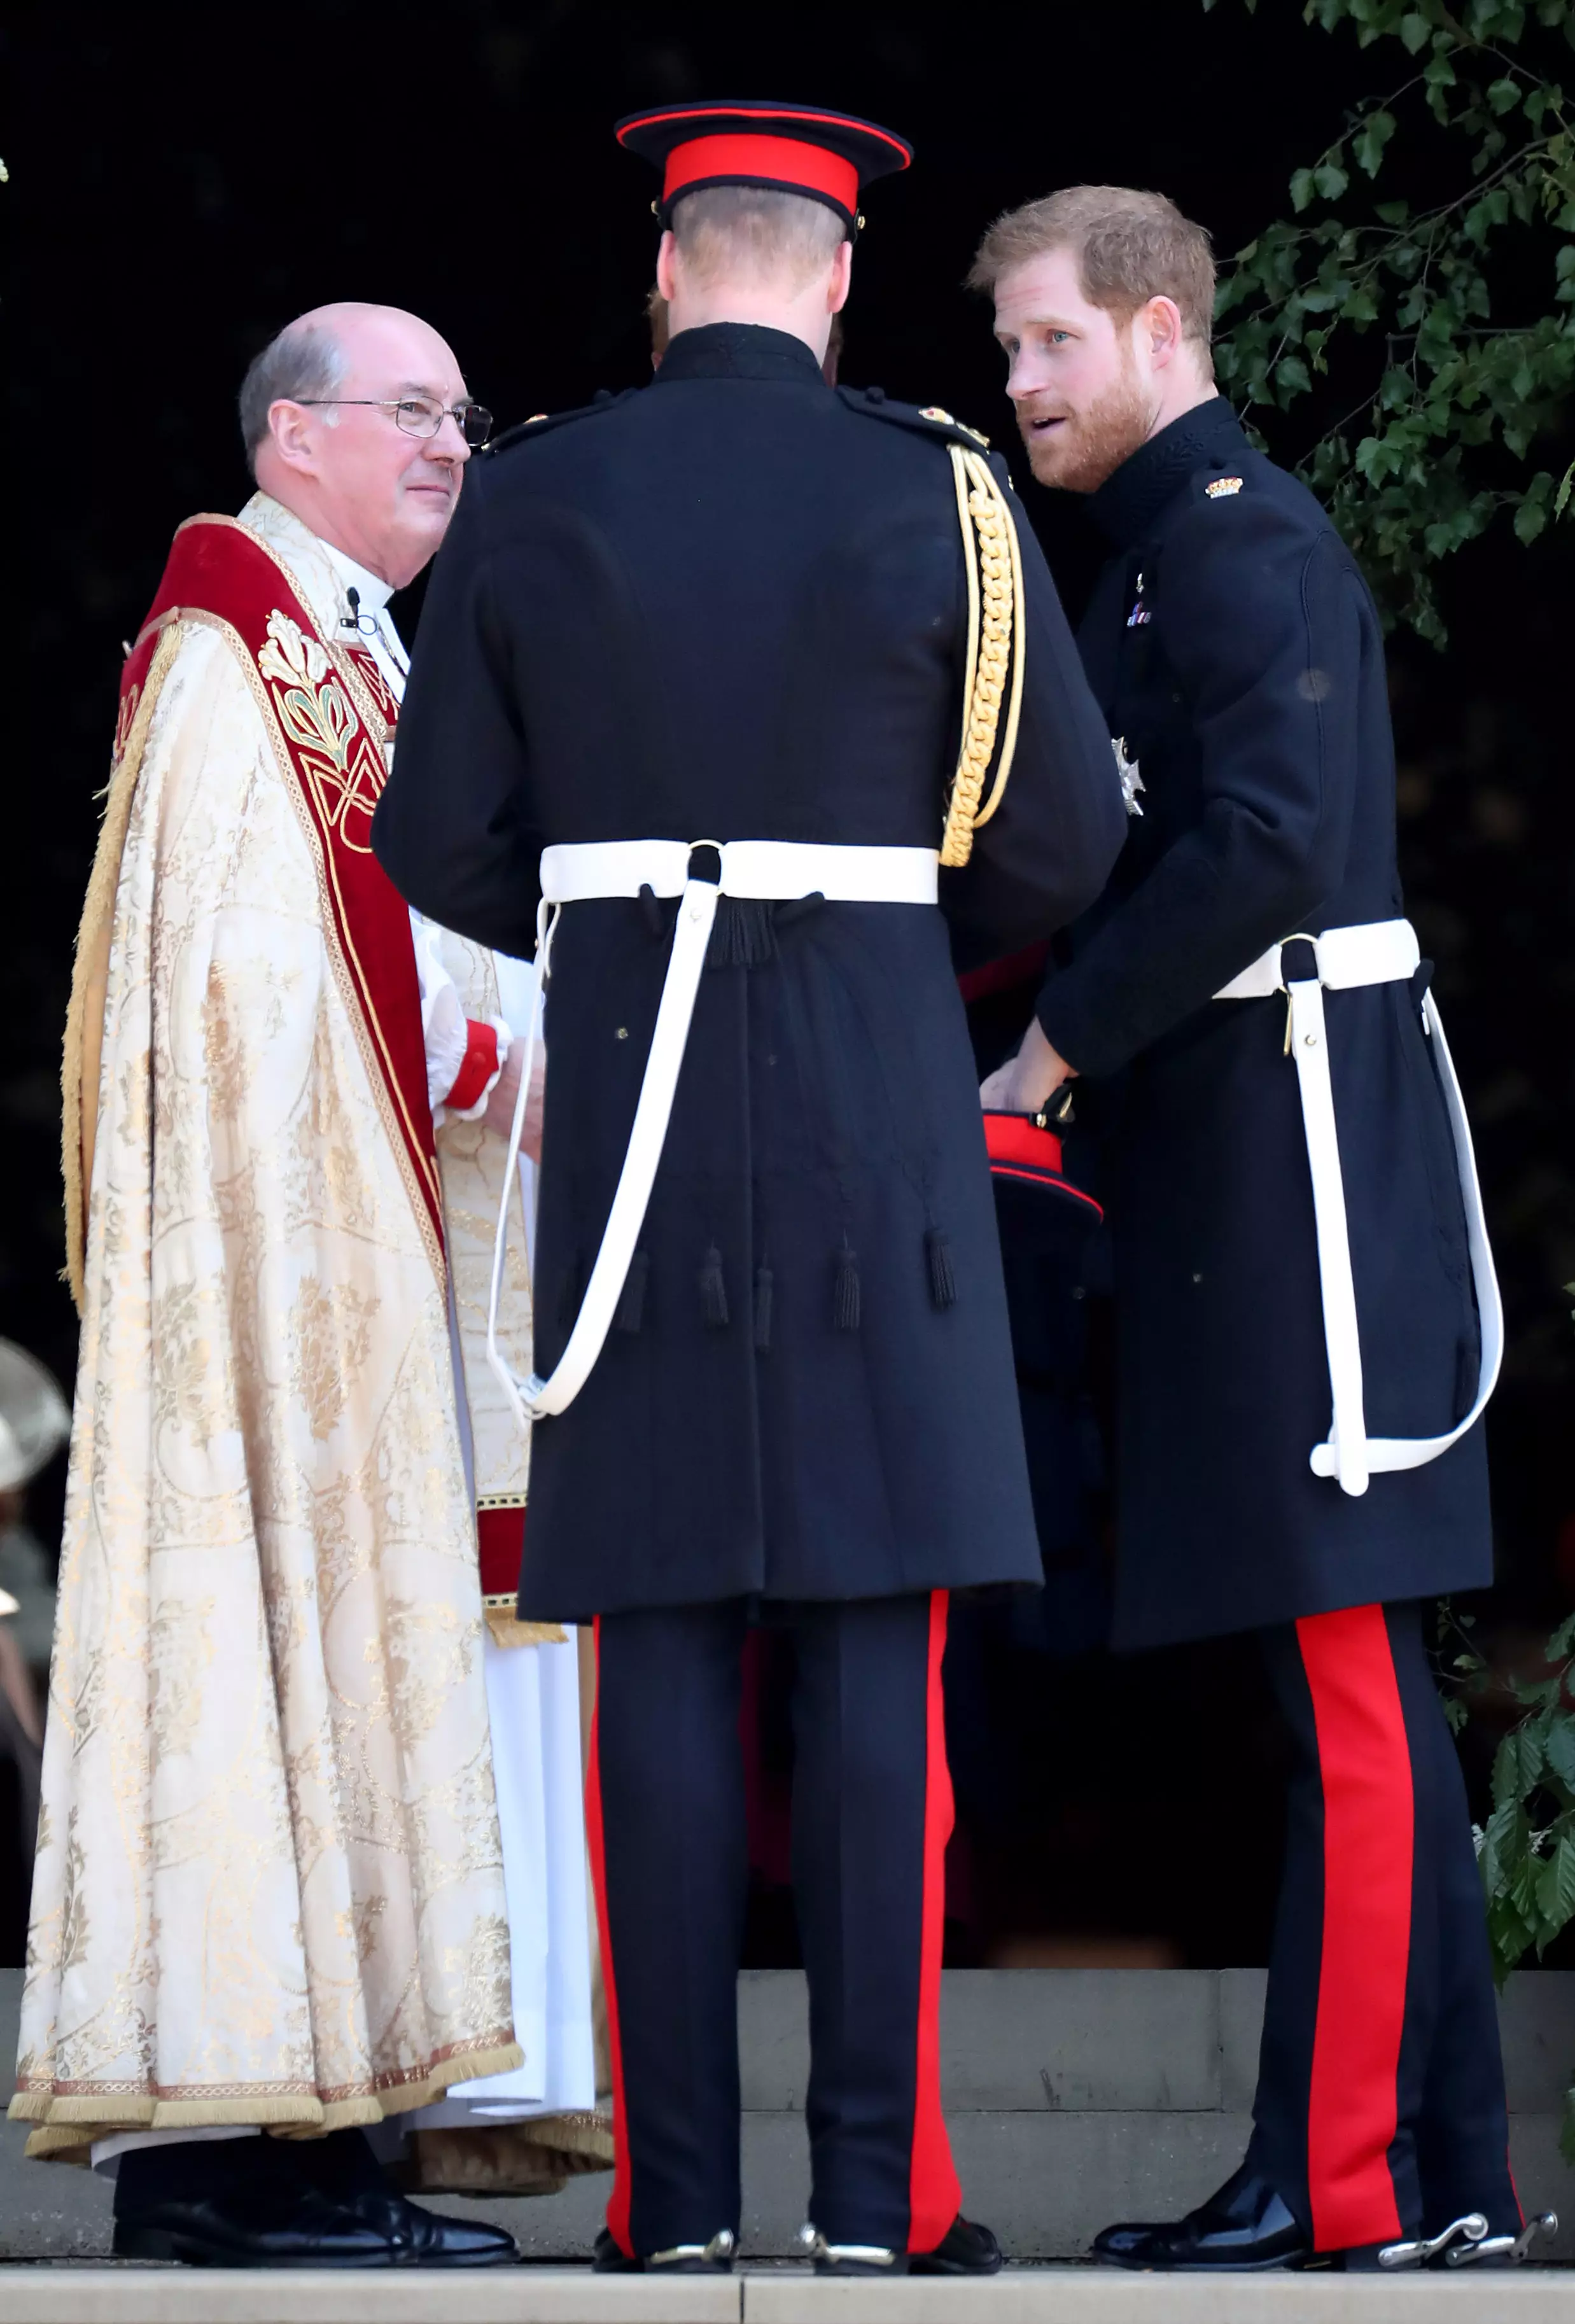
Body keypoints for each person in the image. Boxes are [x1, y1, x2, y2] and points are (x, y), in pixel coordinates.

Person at [372, 99, 1125, 2278]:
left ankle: (677, 2200)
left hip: (628, 1100)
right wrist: (882, 935)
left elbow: (434, 843)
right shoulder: (945, 488)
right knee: (876, 1645)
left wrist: (617, 914)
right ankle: (885, 2203)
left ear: (667, 263)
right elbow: (1064, 839)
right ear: (835, 276)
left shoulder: (533, 490)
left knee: (665, 1643)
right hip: (876, 1096)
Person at [970, 186, 1546, 2271]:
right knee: (1321, 1698)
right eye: (1012, 350)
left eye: (1044, 344)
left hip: (1300, 1162)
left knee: (1347, 1694)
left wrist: (1046, 1053)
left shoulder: (1241, 540)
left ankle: (1360, 2179)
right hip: (1235, 1164)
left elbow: (1273, 844)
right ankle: (1413, 2170)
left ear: (1153, 331)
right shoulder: (1167, 556)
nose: (1019, 383)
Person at [10, 301, 589, 2268]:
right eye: (410, 410)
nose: (450, 442)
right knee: (268, 1664)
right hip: (280, 1275)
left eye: (461, 413)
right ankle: (236, 2160)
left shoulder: (347, 639)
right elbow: (255, 980)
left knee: (330, 1675)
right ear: (290, 437)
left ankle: (308, 2146)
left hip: (355, 1255)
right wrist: (495, 1052)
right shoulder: (234, 646)